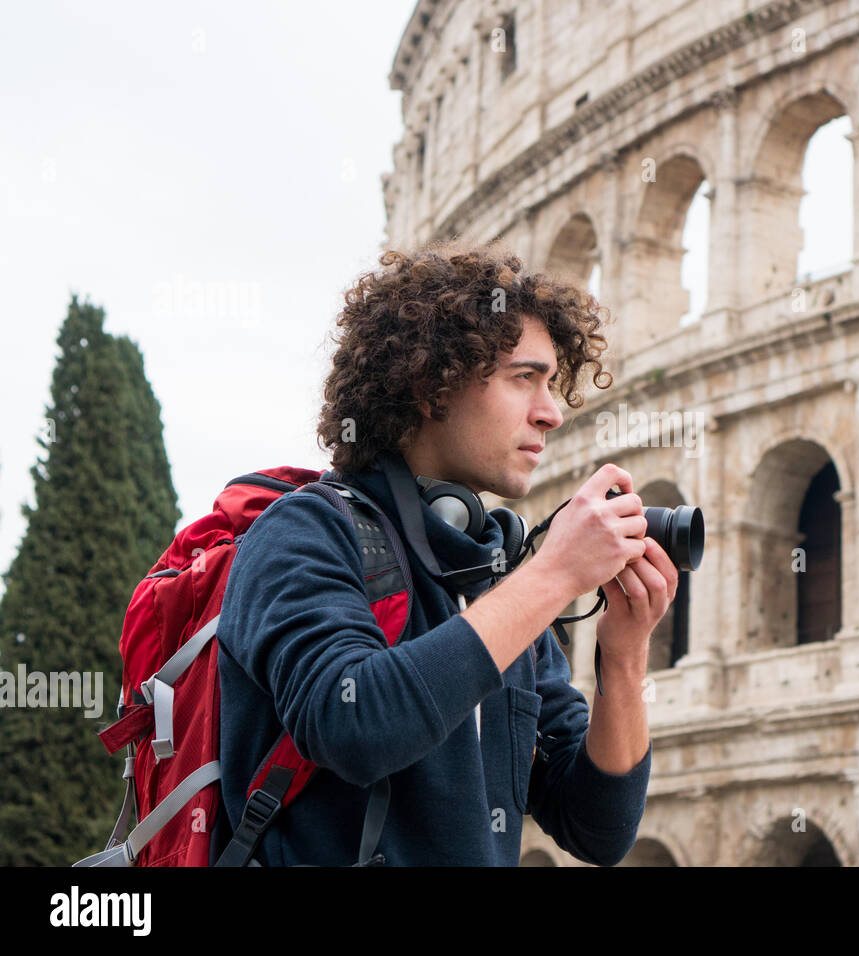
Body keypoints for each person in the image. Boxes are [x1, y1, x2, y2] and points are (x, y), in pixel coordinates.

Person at [213, 240, 676, 865]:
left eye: (552, 385)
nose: (552, 415)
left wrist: (623, 656)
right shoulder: (302, 532)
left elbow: (597, 829)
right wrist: (556, 572)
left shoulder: (495, 576)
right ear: (434, 386)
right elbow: (352, 725)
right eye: (525, 379)